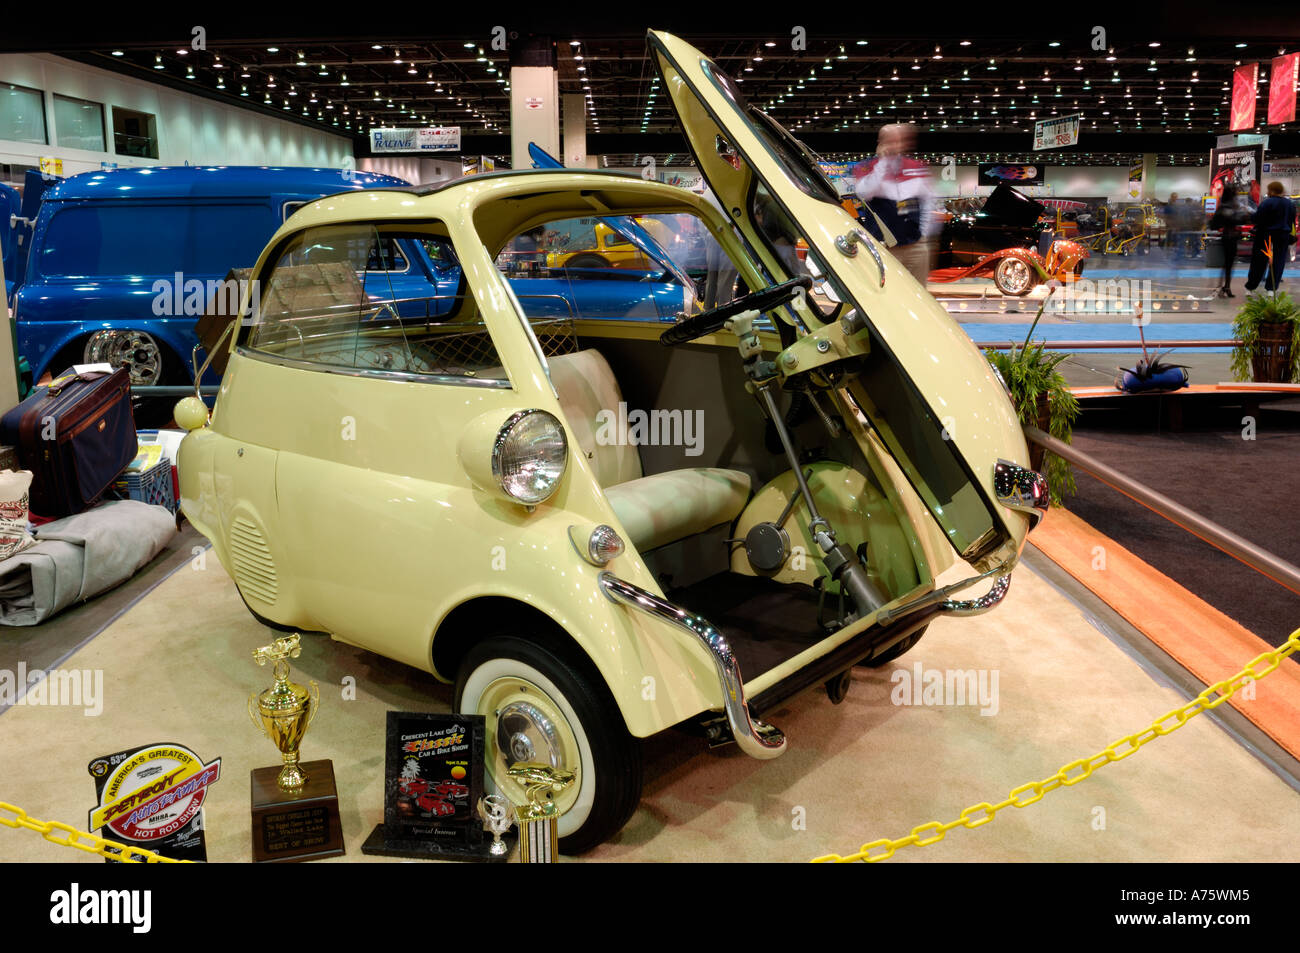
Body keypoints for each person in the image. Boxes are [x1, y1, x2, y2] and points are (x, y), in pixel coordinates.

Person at [853, 123, 936, 285]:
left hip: (915, 247)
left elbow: (928, 202)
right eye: (889, 141)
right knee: (885, 293)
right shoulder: (866, 167)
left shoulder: (917, 167)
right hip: (883, 248)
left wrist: (923, 236)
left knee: (919, 294)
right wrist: (882, 164)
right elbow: (864, 193)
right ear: (880, 143)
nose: (894, 145)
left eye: (898, 140)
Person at [1245, 181, 1297, 292]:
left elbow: (1257, 218)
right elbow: (1291, 222)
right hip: (1283, 235)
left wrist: (1250, 214)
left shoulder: (1267, 203)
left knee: (1259, 260)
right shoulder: (1290, 204)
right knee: (1279, 261)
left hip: (1265, 235)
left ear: (1271, 190)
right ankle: (1271, 289)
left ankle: (1251, 286)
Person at [1209, 184, 1247, 297]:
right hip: (1230, 237)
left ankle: (1225, 286)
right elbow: (1215, 224)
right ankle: (1225, 287)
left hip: (1229, 236)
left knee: (1228, 264)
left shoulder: (1226, 206)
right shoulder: (1230, 207)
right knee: (1228, 264)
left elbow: (1214, 224)